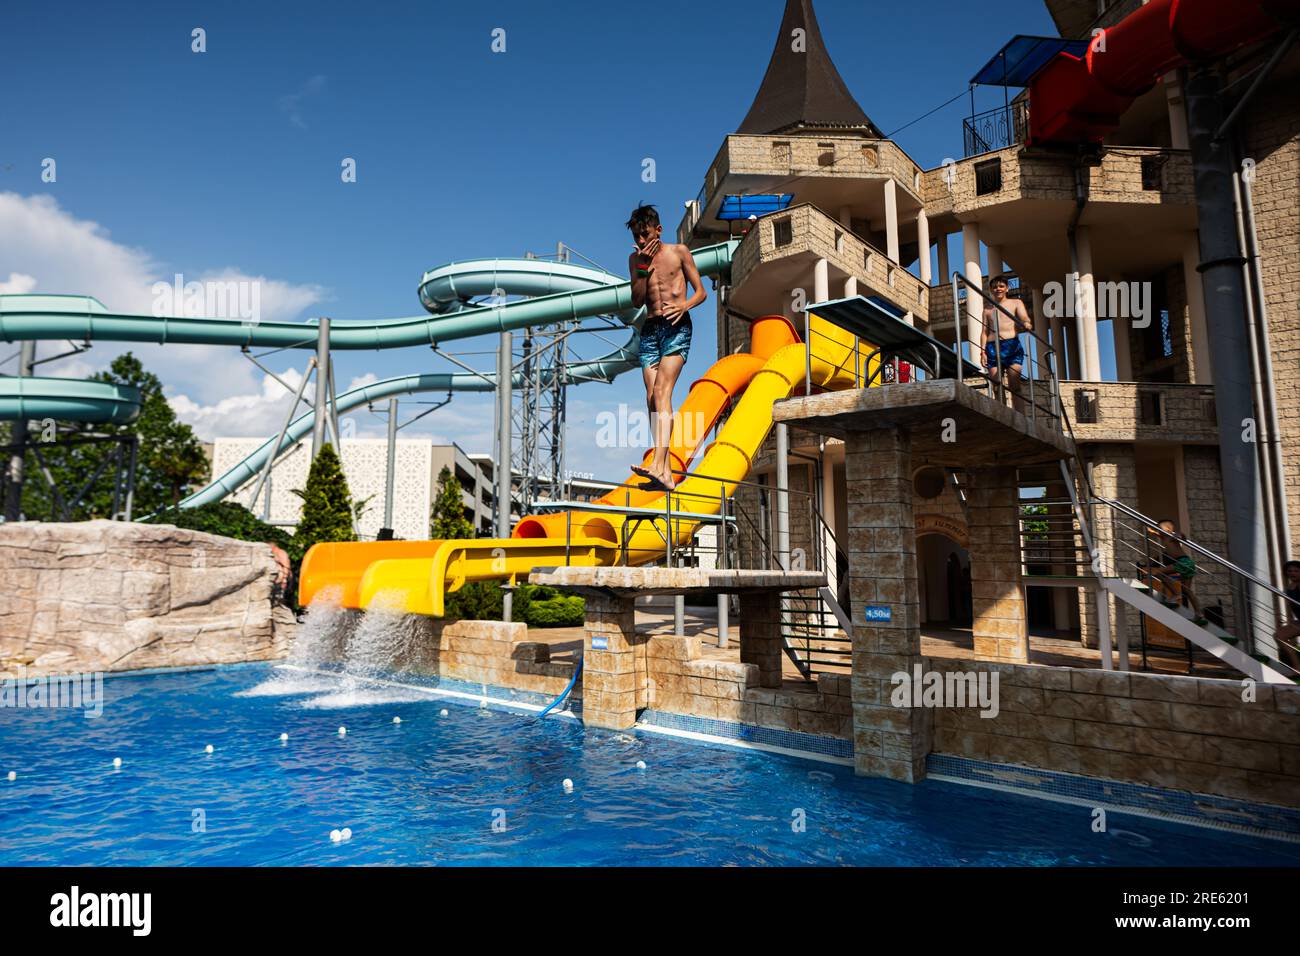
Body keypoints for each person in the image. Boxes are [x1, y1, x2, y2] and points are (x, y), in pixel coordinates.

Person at [626, 204, 707, 491]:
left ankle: (660, 465)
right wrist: (642, 268)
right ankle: (665, 473)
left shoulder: (679, 252)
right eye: (636, 236)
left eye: (645, 234)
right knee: (651, 398)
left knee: (662, 391)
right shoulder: (635, 260)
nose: (641, 241)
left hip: (676, 326)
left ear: (658, 230)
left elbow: (701, 292)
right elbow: (636, 300)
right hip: (649, 330)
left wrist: (684, 305)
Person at [981, 275, 1032, 405]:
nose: (998, 289)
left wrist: (1026, 324)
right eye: (995, 287)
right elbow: (984, 332)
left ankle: (1020, 417)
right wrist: (982, 352)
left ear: (1007, 288)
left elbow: (1025, 318)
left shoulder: (1016, 303)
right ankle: (1003, 416)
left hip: (1011, 346)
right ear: (991, 290)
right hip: (992, 348)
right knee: (996, 387)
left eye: (1001, 286)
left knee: (1015, 386)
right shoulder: (987, 309)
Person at [1151, 520, 1207, 625]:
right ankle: (1199, 613)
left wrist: (1180, 535)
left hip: (1183, 562)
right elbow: (1158, 534)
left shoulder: (1172, 537)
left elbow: (1182, 537)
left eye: (1160, 528)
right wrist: (1152, 531)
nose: (1158, 530)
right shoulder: (1164, 537)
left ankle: (1176, 594)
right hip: (1188, 563)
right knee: (1187, 590)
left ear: (1168, 530)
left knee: (1158, 573)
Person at [1273, 559, 1300, 671]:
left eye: (1296, 571)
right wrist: (1294, 620)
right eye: (1290, 571)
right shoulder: (1290, 586)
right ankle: (1297, 667)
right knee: (1279, 636)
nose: (1292, 573)